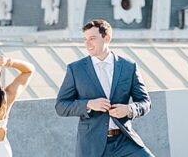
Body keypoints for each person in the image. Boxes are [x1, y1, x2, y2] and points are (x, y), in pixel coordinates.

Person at [55, 19, 155, 156]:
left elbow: (145, 102)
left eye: (92, 38)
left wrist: (129, 109)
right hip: (92, 146)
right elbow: (60, 106)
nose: (87, 43)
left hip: (124, 141)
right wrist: (89, 104)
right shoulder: (75, 69)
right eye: (85, 39)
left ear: (107, 38)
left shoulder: (129, 67)